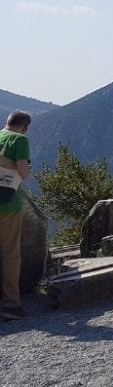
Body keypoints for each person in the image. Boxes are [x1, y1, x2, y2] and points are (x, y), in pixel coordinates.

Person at [0, 110, 32, 321]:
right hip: (8, 204)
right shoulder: (19, 140)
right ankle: (11, 306)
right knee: (10, 254)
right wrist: (27, 169)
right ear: (24, 127)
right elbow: (22, 171)